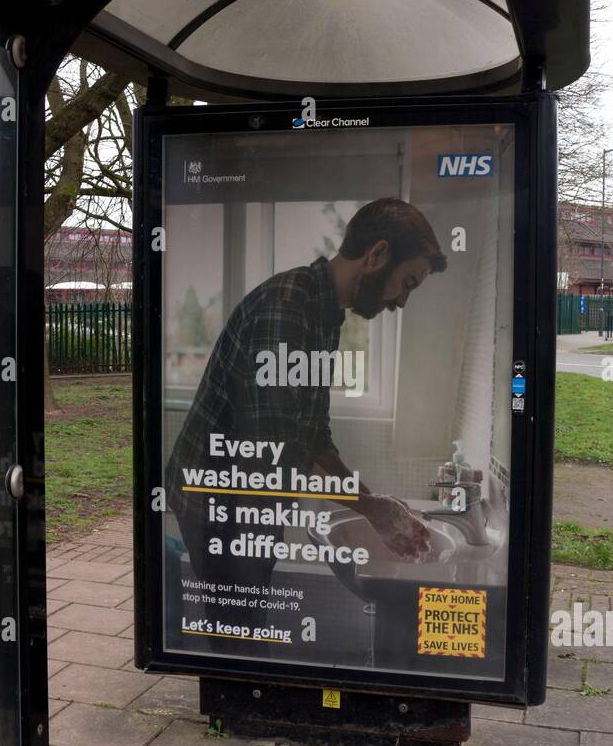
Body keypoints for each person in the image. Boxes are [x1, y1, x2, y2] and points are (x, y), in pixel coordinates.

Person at [166, 198, 447, 632]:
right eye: (407, 282)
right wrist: (370, 508)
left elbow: (312, 432)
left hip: (253, 493)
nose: (402, 301)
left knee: (249, 613)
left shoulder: (325, 311)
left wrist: (371, 502)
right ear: (377, 255)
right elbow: (275, 448)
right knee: (238, 626)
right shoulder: (286, 307)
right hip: (215, 497)